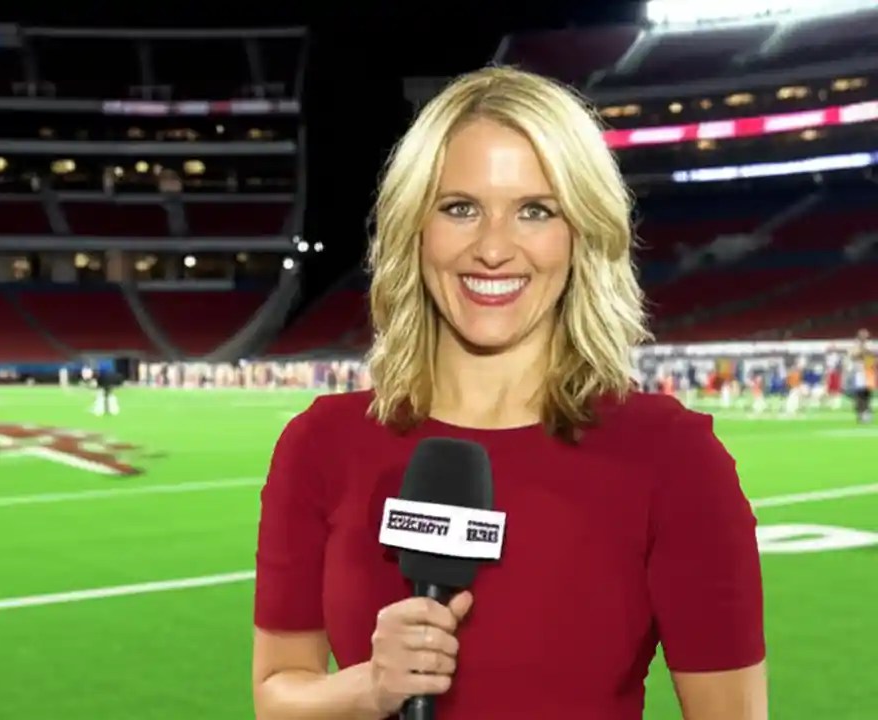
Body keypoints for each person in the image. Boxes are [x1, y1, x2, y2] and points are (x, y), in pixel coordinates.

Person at [251, 66, 766, 720]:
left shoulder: (672, 457)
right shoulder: (320, 444)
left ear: (582, 233)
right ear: (415, 228)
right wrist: (367, 688)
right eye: (459, 208)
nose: (493, 248)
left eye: (535, 210)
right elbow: (277, 695)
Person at [851, 328, 873, 424]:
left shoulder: (871, 344)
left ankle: (866, 412)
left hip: (868, 371)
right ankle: (860, 412)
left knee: (867, 393)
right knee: (859, 394)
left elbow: (872, 356)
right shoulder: (855, 345)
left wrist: (865, 352)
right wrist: (863, 352)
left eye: (865, 335)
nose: (864, 336)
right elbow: (854, 355)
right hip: (858, 372)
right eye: (862, 335)